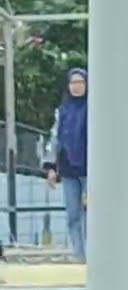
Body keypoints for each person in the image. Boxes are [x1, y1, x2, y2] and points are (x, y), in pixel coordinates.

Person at [42, 68, 90, 262]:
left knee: (92, 215)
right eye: (73, 83)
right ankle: (79, 256)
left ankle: (93, 256)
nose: (76, 86)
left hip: (90, 170)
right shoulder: (63, 111)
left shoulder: (94, 108)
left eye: (80, 82)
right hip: (69, 169)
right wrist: (51, 167)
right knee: (72, 215)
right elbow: (55, 139)